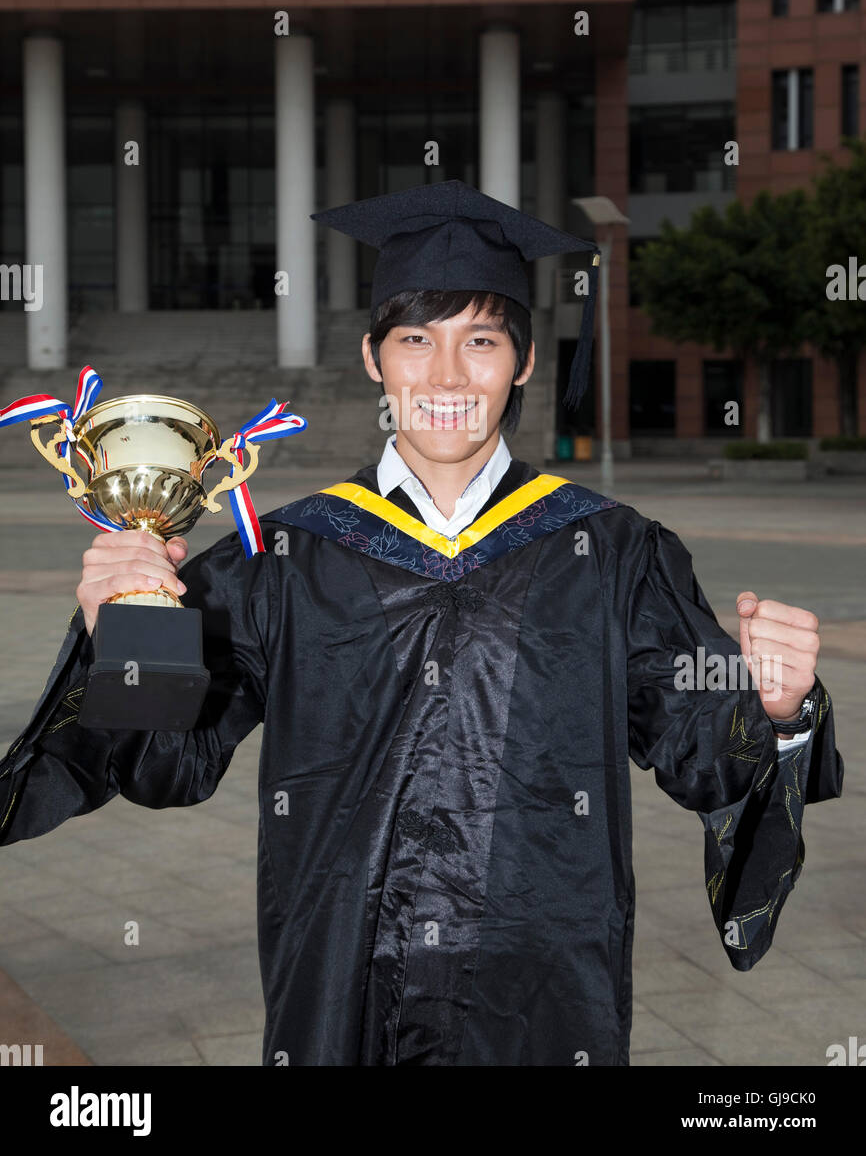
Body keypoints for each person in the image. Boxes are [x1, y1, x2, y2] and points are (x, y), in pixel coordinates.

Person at [0, 180, 843, 1067]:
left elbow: (704, 752)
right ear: (373, 358)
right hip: (342, 987)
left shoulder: (613, 552)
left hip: (544, 1002)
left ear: (522, 360)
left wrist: (778, 709)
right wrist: (128, 628)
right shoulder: (280, 556)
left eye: (480, 339)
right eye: (416, 339)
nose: (446, 375)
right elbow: (168, 766)